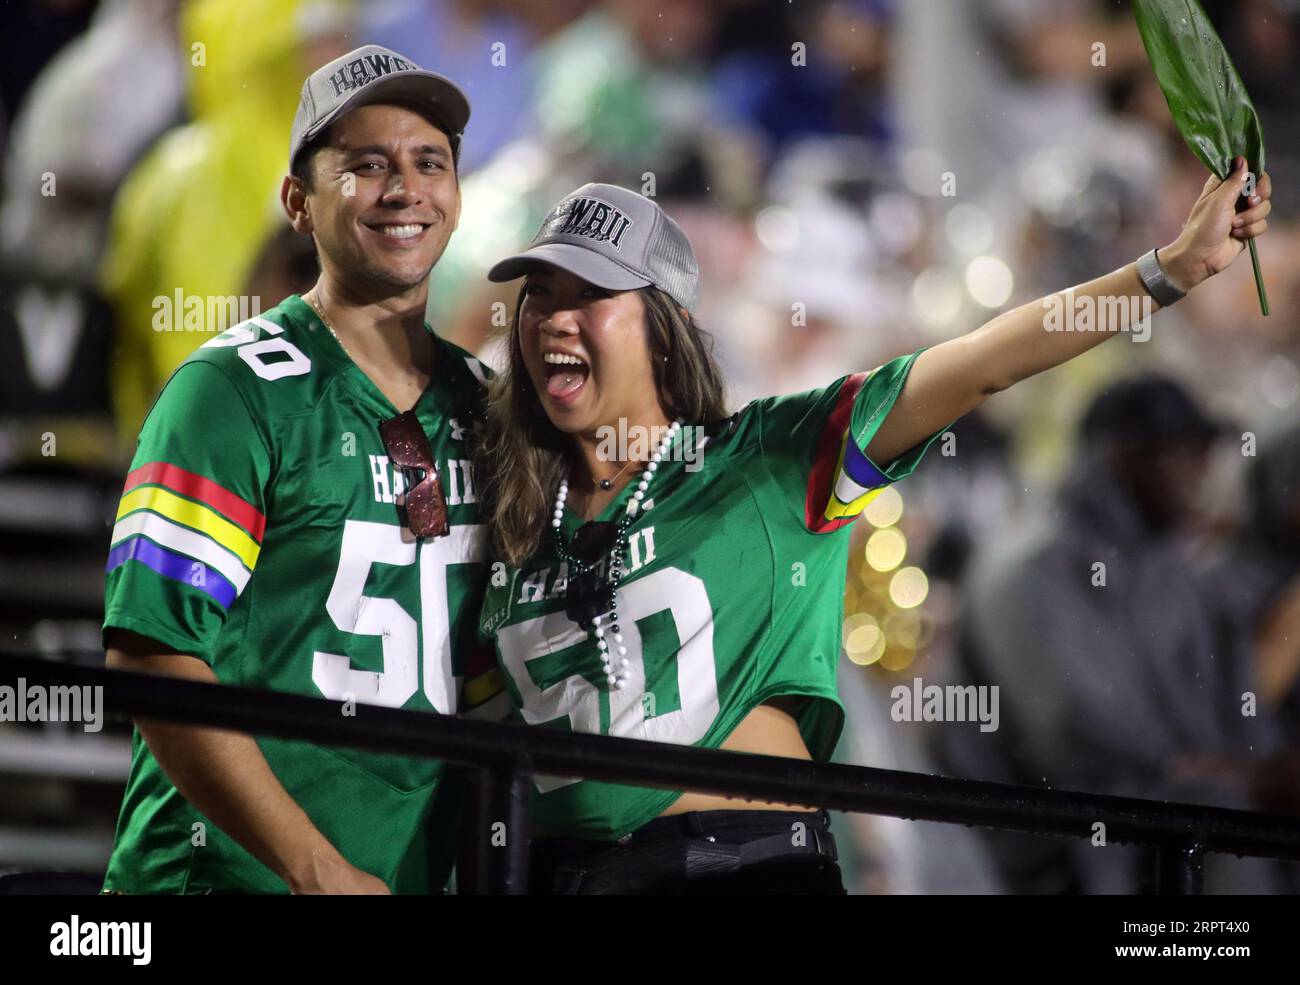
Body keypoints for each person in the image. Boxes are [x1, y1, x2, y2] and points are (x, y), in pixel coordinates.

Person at [474, 160, 1273, 894]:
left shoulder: (765, 458)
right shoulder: (509, 509)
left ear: (662, 323)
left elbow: (984, 361)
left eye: (589, 294)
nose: (553, 317)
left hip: (736, 867)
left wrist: (1165, 272)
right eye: (540, 292)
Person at [102, 45, 497, 894]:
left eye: (431, 162)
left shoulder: (490, 410)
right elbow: (151, 654)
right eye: (365, 165)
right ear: (297, 202)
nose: (404, 188)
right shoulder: (226, 392)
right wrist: (315, 870)